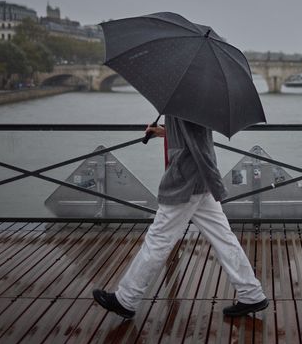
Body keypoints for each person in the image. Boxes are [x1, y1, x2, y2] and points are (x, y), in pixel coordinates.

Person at [92, 115, 268, 320]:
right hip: (200, 183)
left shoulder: (184, 99)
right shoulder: (196, 99)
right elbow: (192, 134)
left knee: (157, 241)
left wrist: (214, 180)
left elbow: (198, 143)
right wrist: (166, 131)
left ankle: (126, 299)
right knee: (223, 239)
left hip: (185, 183)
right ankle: (252, 294)